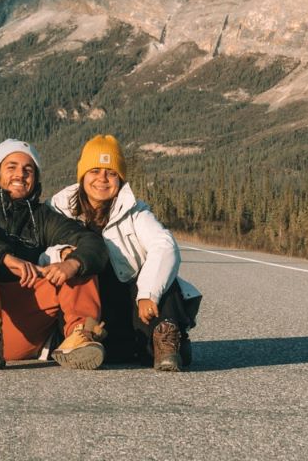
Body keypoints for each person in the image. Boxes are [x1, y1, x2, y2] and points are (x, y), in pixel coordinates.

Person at [0, 138, 111, 370]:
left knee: (76, 256)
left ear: (35, 179)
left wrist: (72, 264)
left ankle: (80, 336)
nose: (20, 174)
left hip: (17, 336)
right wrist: (5, 256)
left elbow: (93, 243)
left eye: (28, 170)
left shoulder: (43, 217)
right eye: (12, 167)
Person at [43, 134, 201, 371]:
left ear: (120, 178)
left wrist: (148, 293)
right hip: (87, 305)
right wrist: (62, 253)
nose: (102, 179)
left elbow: (164, 244)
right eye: (95, 170)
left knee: (159, 276)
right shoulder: (58, 210)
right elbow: (40, 251)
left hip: (129, 302)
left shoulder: (135, 211)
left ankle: (166, 336)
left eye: (111, 172)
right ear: (82, 174)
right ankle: (89, 340)